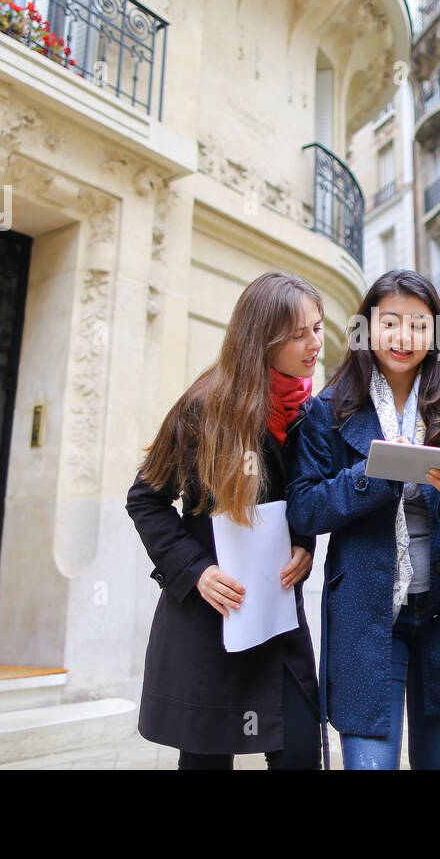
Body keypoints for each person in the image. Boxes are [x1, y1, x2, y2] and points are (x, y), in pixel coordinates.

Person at [285, 269, 440, 770]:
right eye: (390, 323)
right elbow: (304, 507)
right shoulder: (329, 410)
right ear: (366, 329)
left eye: (419, 325)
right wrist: (373, 474)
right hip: (366, 611)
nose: (404, 338)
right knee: (367, 764)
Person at [124, 271, 324, 770]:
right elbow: (145, 499)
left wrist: (304, 543)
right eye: (298, 333)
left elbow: (303, 495)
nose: (314, 344)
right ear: (262, 337)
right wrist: (195, 572)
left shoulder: (310, 413)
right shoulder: (202, 407)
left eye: (317, 328)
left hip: (277, 621)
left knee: (300, 752)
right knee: (205, 764)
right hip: (211, 622)